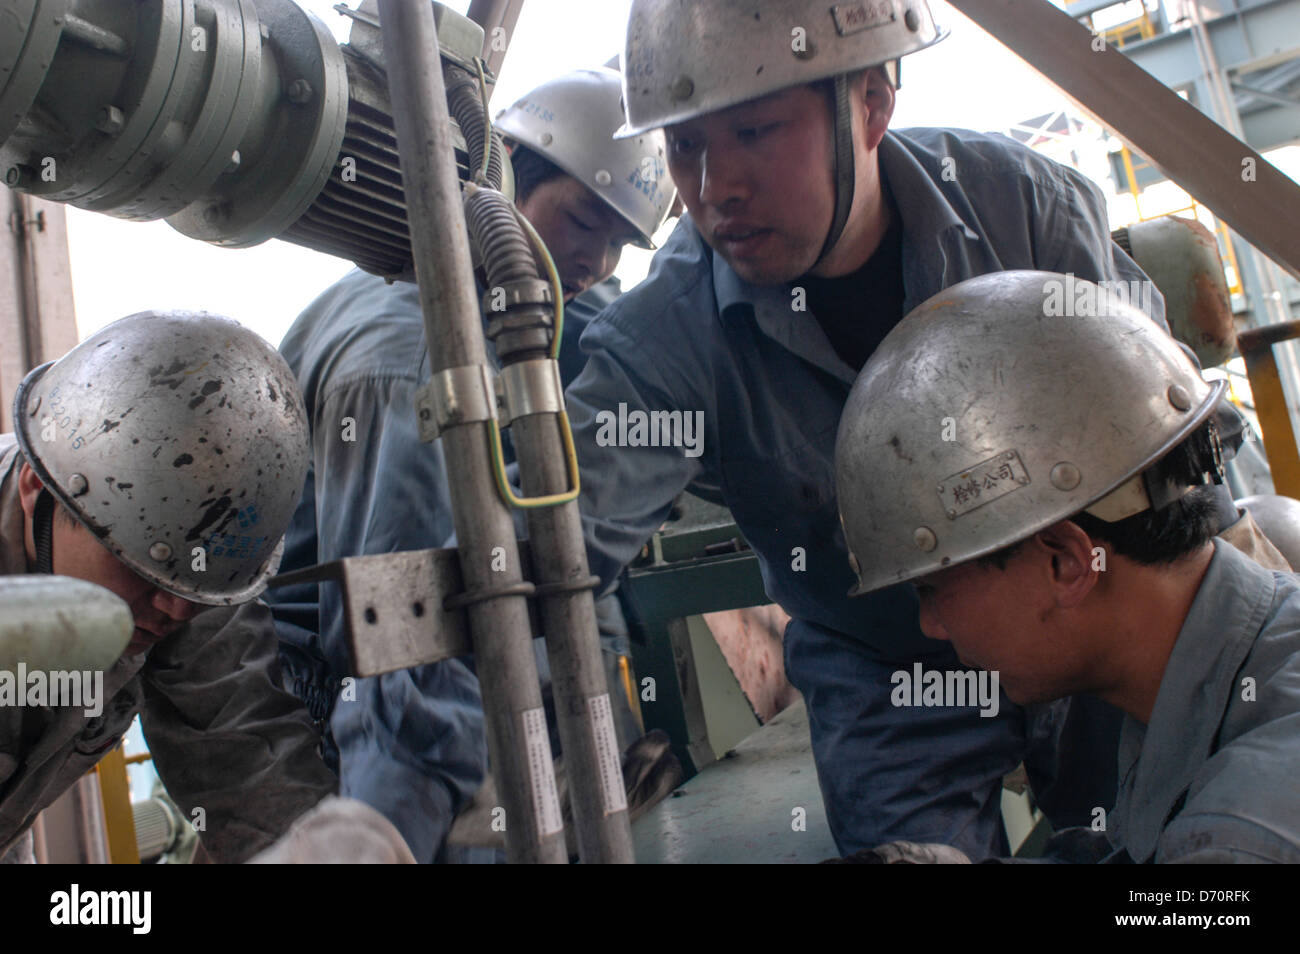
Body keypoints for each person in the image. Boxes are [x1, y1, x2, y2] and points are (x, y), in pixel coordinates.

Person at [562, 0, 1262, 858]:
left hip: (1089, 627)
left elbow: (1166, 446)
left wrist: (1234, 637)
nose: (714, 189)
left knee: (1175, 847)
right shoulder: (665, 339)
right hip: (889, 668)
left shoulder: (1025, 213)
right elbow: (554, 546)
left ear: (871, 104)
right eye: (685, 146)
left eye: (753, 132)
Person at [267, 67, 676, 862]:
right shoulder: (415, 361)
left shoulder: (496, 306)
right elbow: (402, 635)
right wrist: (423, 826)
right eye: (584, 221)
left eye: (619, 240)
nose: (594, 259)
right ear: (511, 177)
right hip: (329, 713)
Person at [834, 271, 1300, 863]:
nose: (932, 625)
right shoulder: (1221, 675)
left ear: (1066, 563)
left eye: (931, 588)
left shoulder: (1244, 836)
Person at [0, 311, 338, 863]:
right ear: (37, 491)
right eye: (138, 571)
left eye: (197, 590)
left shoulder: (184, 577)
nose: (174, 610)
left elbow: (247, 761)